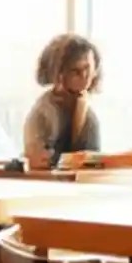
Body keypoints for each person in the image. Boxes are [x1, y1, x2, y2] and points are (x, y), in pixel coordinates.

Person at [23, 33, 103, 170]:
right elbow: (40, 161)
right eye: (75, 71)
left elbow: (92, 162)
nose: (84, 77)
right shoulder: (44, 113)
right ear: (59, 73)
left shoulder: (89, 116)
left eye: (88, 69)